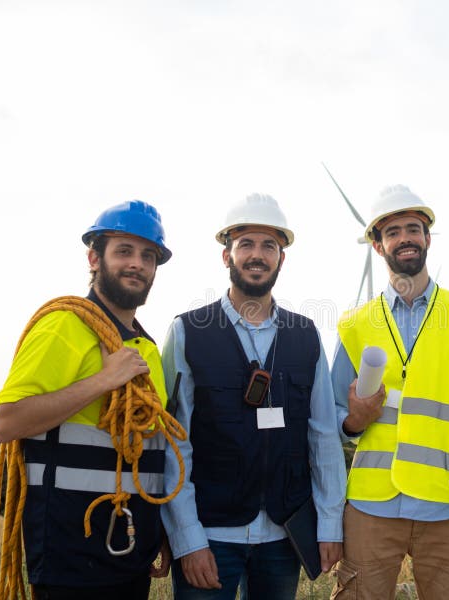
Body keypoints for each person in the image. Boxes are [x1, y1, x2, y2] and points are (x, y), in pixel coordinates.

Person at [161, 193, 346, 600]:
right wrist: (187, 539)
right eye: (246, 244)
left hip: (284, 537)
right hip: (209, 536)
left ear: (282, 258)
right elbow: (174, 445)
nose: (257, 255)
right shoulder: (187, 332)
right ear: (226, 256)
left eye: (269, 246)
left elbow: (323, 438)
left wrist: (330, 524)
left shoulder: (306, 335)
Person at [331, 184, 449, 600]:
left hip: (445, 505)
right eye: (392, 232)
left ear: (428, 238)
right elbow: (329, 414)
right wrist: (352, 420)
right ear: (378, 246)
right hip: (369, 507)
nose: (405, 238)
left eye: (413, 228)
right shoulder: (355, 323)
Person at [0, 200, 174, 599]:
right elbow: (7, 422)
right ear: (94, 257)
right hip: (70, 555)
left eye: (148, 256)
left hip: (129, 548)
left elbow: (151, 449)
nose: (137, 264)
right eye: (123, 251)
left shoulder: (147, 348)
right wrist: (102, 381)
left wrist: (157, 529)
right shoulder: (64, 325)